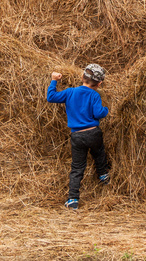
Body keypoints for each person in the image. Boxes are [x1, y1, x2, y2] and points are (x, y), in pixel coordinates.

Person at [47, 64, 110, 210]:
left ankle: (73, 199)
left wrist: (54, 80)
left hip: (77, 136)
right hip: (93, 132)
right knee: (99, 154)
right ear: (99, 84)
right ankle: (103, 176)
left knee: (77, 167)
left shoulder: (70, 92)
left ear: (82, 77)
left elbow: (51, 97)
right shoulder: (95, 95)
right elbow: (98, 113)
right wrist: (106, 110)